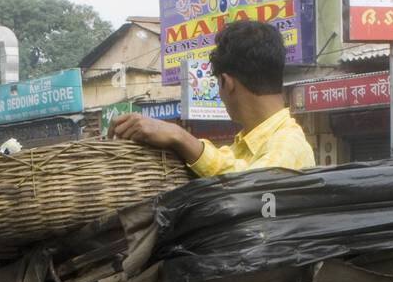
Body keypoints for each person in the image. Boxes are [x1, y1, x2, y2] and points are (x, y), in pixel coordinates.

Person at [110, 20, 315, 176]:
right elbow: (225, 167)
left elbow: (251, 189)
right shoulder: (240, 148)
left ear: (227, 83)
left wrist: (180, 136)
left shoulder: (289, 143)